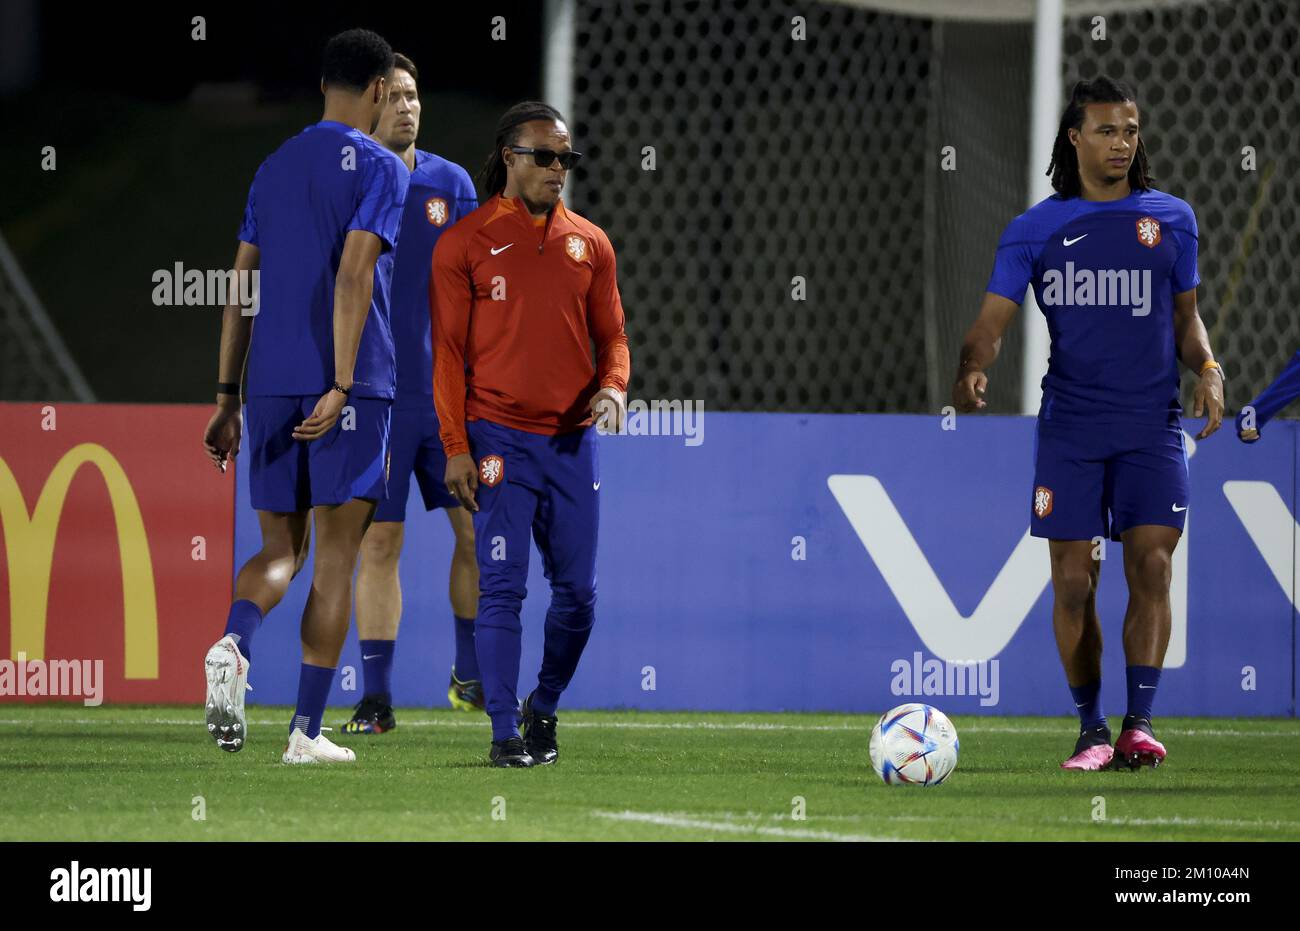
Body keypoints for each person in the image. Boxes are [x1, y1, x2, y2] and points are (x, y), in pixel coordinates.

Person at [953, 76, 1224, 771]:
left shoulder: (1173, 220)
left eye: (1130, 130)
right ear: (1075, 138)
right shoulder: (1034, 229)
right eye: (1106, 131)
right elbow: (991, 322)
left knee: (1153, 566)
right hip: (1071, 428)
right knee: (1074, 581)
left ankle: (1139, 724)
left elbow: (1186, 317)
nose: (1121, 143)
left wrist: (1210, 368)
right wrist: (973, 363)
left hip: (1152, 427)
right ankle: (1091, 729)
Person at [201, 28, 407, 764]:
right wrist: (344, 383)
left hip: (269, 385)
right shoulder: (382, 168)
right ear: (380, 90)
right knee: (336, 561)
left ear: (326, 85)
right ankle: (305, 733)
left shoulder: (273, 164)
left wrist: (228, 396)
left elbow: (238, 291)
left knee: (278, 549)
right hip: (349, 387)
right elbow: (355, 276)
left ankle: (233, 641)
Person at [432, 101, 630, 767]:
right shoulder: (464, 242)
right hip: (498, 440)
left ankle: (542, 704)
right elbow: (446, 358)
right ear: (509, 157)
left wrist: (614, 386)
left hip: (572, 443)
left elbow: (614, 339)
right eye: (544, 156)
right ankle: (502, 733)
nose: (557, 168)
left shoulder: (591, 244)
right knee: (504, 586)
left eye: (565, 158)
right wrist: (456, 445)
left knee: (578, 593)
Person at [342, 52, 482, 736]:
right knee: (381, 542)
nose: (407, 105)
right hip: (377, 398)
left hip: (448, 398)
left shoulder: (452, 186)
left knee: (478, 529)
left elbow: (485, 290)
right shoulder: (347, 183)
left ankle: (469, 673)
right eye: (394, 95)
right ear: (371, 105)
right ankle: (376, 699)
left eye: (414, 94)